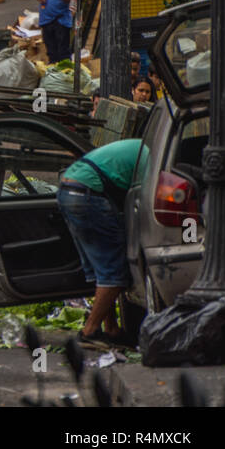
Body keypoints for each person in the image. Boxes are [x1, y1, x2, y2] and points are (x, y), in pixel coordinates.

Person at [56, 138, 146, 348]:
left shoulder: (139, 147)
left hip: (68, 190)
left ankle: (112, 330)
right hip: (88, 196)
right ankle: (90, 331)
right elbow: (145, 198)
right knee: (114, 273)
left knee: (101, 272)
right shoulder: (153, 158)